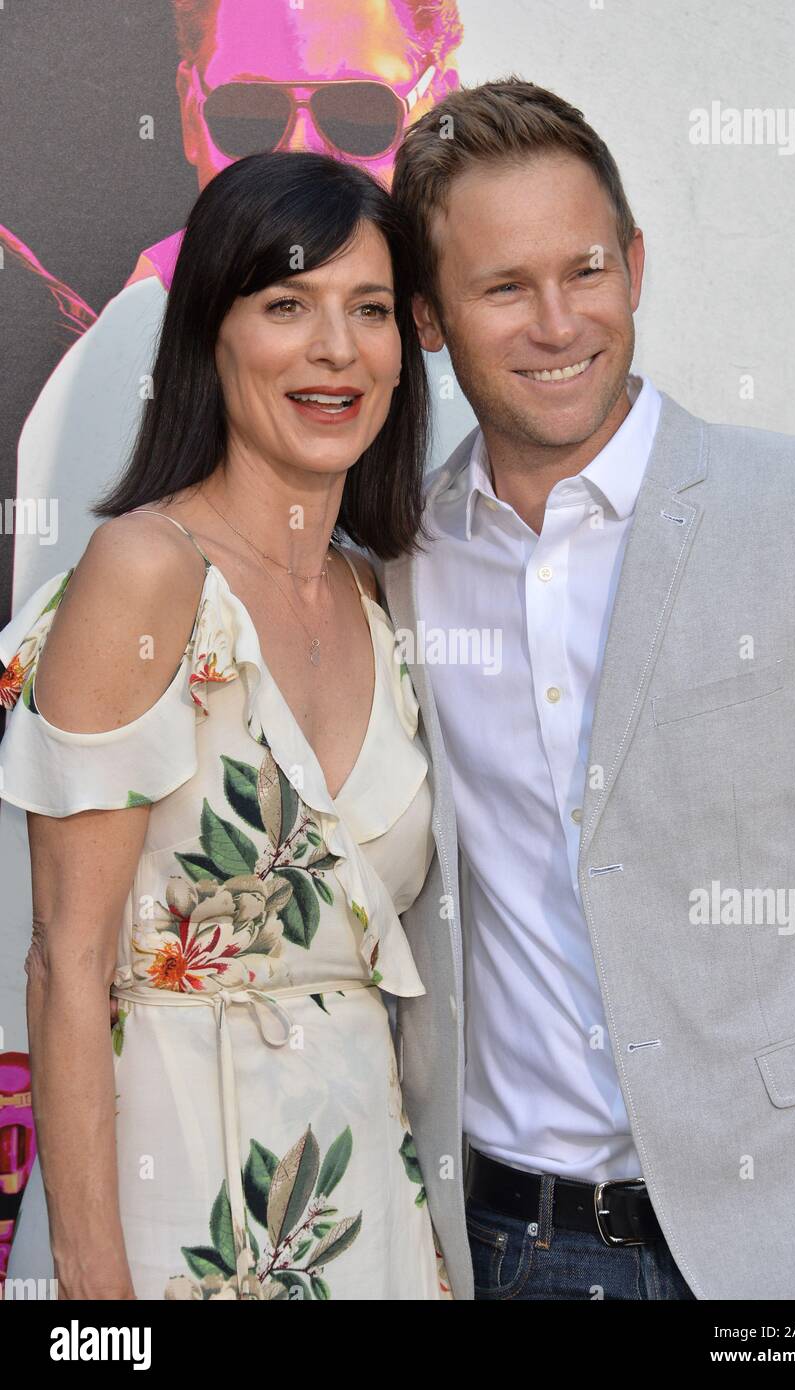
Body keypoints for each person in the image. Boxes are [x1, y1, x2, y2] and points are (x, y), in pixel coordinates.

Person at [377, 78, 795, 1300]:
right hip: (503, 1243)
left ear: (638, 263)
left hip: (788, 1243)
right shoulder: (396, 563)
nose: (560, 322)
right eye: (505, 287)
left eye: (587, 269)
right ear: (430, 320)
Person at [0, 150, 453, 1301]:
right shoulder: (145, 572)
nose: (334, 349)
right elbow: (67, 961)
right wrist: (98, 1297)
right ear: (213, 331)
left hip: (366, 1216)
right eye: (285, 305)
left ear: (406, 351)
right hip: (168, 1217)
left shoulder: (380, 597)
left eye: (366, 310)